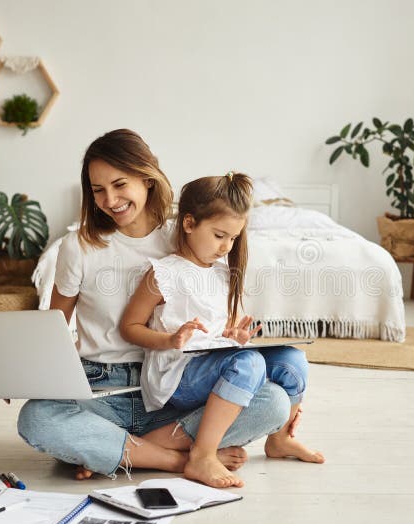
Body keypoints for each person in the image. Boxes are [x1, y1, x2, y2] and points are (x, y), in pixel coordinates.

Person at [16, 130, 296, 480]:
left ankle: (113, 450)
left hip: (175, 389)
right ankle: (176, 458)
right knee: (37, 418)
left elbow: (213, 308)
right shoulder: (78, 246)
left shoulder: (185, 236)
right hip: (102, 388)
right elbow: (55, 323)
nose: (110, 199)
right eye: (98, 190)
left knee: (273, 402)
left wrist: (232, 334)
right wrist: (24, 373)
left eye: (120, 184)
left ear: (147, 178)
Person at [120, 172, 324, 489]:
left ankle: (280, 439)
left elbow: (224, 330)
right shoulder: (164, 273)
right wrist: (169, 339)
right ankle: (202, 455)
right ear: (189, 224)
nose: (226, 246)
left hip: (214, 363)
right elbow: (129, 327)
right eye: (219, 235)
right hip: (177, 373)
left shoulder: (223, 273)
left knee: (292, 360)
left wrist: (235, 337)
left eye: (232, 238)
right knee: (249, 364)